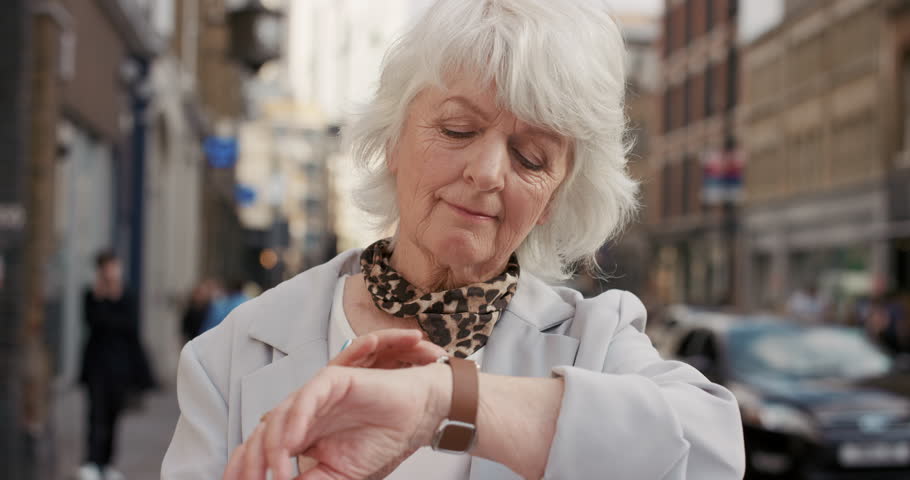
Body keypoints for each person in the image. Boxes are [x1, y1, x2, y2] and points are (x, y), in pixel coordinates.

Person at [162, 1, 745, 478]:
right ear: (392, 141)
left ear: (554, 198)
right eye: (457, 129)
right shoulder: (231, 356)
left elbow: (713, 453)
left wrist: (446, 402)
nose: (487, 171)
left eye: (530, 156)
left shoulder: (595, 339)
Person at [79, 250, 155, 480]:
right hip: (96, 365)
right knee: (95, 414)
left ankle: (108, 463)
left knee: (113, 415)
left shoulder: (128, 294)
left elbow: (129, 326)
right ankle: (92, 461)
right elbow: (93, 322)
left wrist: (113, 301)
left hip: (120, 366)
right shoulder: (92, 294)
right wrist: (102, 299)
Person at [181, 279, 217, 343]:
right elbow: (185, 330)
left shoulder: (210, 309)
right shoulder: (191, 310)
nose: (200, 296)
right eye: (198, 293)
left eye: (202, 294)